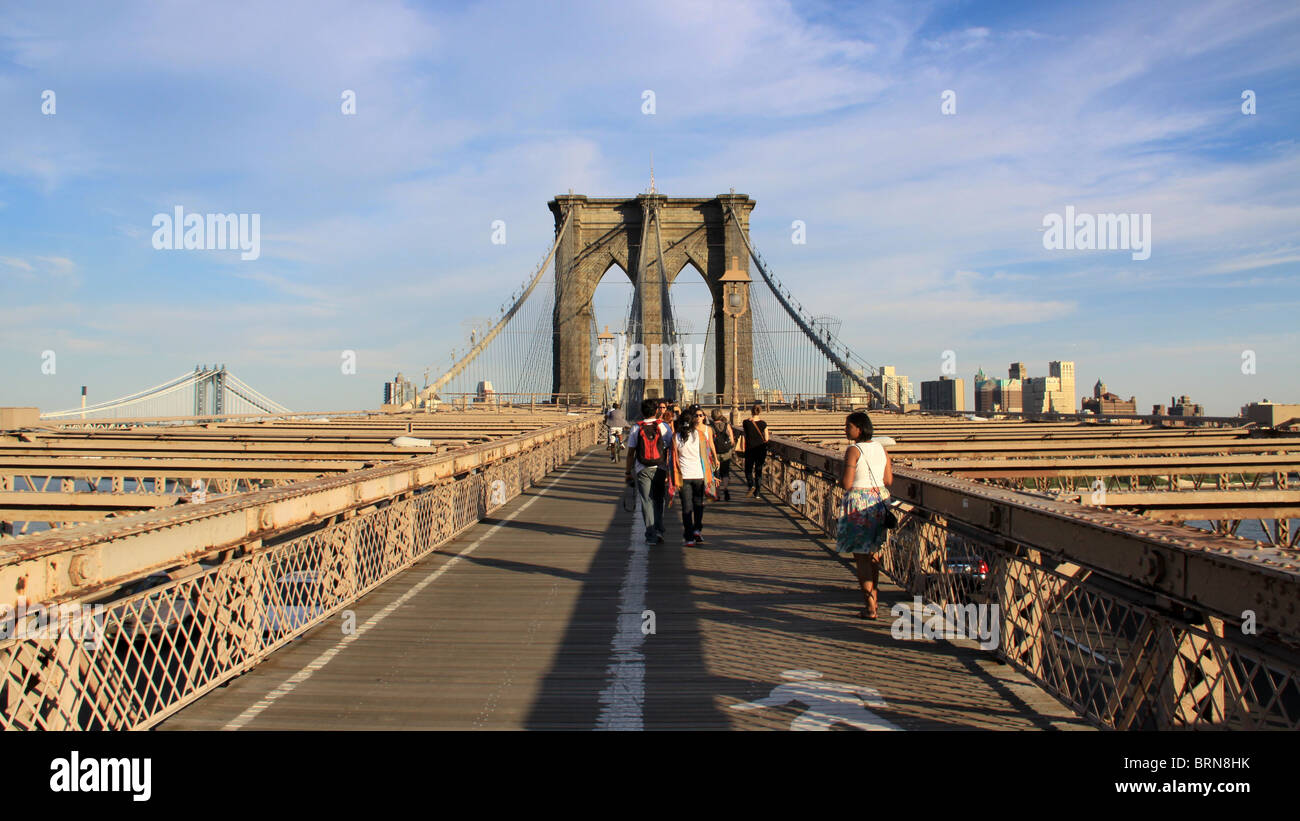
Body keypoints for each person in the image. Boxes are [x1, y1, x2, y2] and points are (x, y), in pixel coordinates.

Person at [835, 411, 894, 619]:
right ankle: (874, 601)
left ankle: (870, 607)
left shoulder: (853, 450)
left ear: (859, 429)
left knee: (861, 559)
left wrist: (841, 475)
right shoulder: (882, 449)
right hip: (879, 503)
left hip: (859, 505)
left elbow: (847, 483)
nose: (845, 429)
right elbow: (888, 480)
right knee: (874, 556)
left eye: (848, 426)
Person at [668, 406, 718, 546]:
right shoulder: (700, 435)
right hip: (699, 476)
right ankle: (697, 530)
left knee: (686, 507)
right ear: (692, 422)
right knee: (698, 503)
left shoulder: (675, 437)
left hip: (683, 476)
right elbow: (706, 456)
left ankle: (689, 537)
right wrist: (712, 474)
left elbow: (673, 459)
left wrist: (671, 477)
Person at [626, 398, 672, 545]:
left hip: (642, 468)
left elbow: (630, 453)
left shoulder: (636, 428)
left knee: (646, 501)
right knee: (659, 500)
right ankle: (659, 530)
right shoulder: (664, 427)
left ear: (642, 412)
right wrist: (671, 471)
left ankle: (650, 536)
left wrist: (628, 472)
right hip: (660, 468)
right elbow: (673, 449)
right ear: (657, 411)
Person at [739, 402, 769, 496]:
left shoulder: (746, 422)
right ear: (760, 412)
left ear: (751, 411)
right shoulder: (764, 423)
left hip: (750, 449)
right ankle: (758, 492)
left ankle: (751, 484)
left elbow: (745, 434)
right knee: (758, 470)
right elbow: (767, 438)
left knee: (748, 469)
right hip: (761, 449)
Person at [710, 408, 734, 501]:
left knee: (716, 473)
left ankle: (717, 494)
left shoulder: (710, 427)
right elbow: (732, 441)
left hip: (715, 453)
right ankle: (726, 489)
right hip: (726, 453)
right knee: (725, 472)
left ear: (712, 416)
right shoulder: (727, 426)